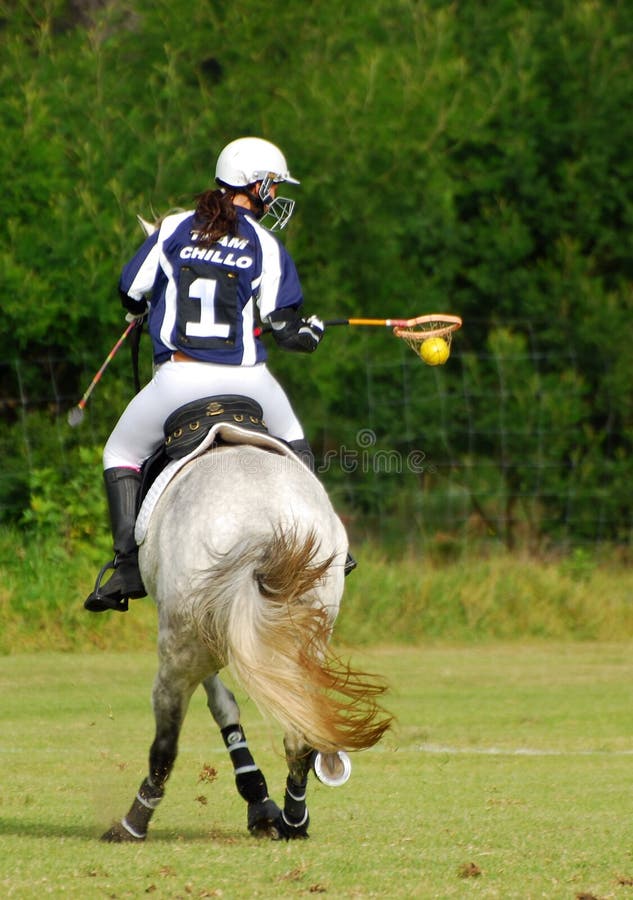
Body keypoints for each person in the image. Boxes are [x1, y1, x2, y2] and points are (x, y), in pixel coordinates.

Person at [85, 136, 339, 614]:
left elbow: (129, 292)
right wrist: (312, 332)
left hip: (178, 381)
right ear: (255, 185)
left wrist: (149, 307)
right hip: (248, 383)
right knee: (294, 436)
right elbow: (286, 331)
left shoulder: (174, 227)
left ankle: (127, 566)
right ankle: (322, 545)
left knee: (119, 452)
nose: (276, 195)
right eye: (274, 186)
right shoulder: (264, 244)